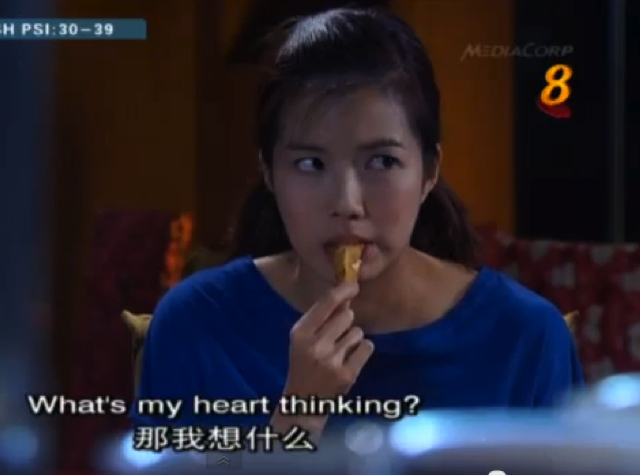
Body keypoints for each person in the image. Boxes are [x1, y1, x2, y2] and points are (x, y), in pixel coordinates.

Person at [131, 7, 583, 438]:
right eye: (310, 164)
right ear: (268, 171)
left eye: (382, 161)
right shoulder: (195, 325)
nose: (347, 203)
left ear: (429, 171)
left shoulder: (527, 338)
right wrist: (298, 416)